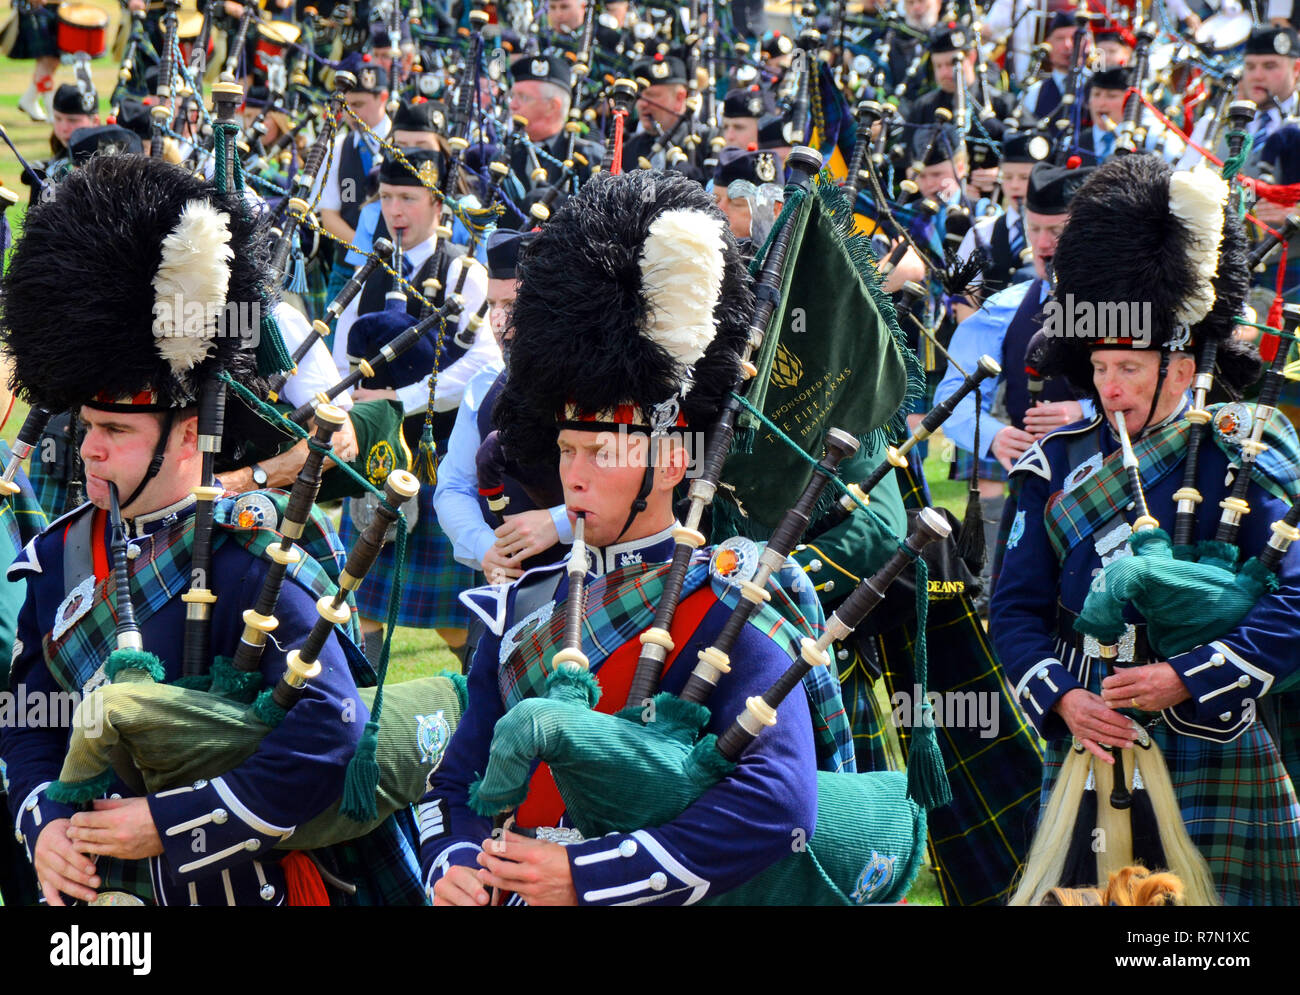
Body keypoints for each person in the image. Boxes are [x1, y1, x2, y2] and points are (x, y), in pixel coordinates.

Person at [420, 169, 857, 906]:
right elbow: (452, 782)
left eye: (602, 453)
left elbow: (780, 802)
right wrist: (454, 861)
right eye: (567, 450)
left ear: (672, 461)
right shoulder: (522, 603)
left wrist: (587, 875)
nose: (575, 477)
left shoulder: (727, 602)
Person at [0, 153, 423, 905]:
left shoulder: (251, 557)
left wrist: (172, 822)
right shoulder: (56, 556)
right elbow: (31, 716)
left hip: (238, 881)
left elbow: (331, 726)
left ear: (188, 434)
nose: (91, 447)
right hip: (97, 891)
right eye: (86, 425)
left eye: (115, 430)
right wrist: (45, 824)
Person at [991, 154, 1300, 905]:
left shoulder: (1245, 447)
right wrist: (1064, 698)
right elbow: (1015, 611)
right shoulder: (1051, 466)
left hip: (1212, 733)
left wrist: (1184, 677)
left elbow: (1294, 596)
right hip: (1090, 730)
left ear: (1182, 363)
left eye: (1128, 365)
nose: (1109, 386)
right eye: (1098, 365)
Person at [334, 148, 496, 666]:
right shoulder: (370, 269)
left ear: (437, 203)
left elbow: (481, 366)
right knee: (362, 597)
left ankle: (472, 693)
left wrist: (399, 399)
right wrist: (351, 400)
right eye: (385, 198)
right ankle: (359, 702)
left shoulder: (464, 273)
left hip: (438, 448)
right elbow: (342, 351)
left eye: (408, 198)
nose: (395, 210)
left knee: (451, 618)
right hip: (376, 449)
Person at [433, 228, 570, 581]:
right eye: (493, 305)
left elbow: (653, 478)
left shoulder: (600, 387)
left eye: (512, 305)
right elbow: (453, 486)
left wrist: (559, 523)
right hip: (508, 585)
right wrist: (486, 549)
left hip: (597, 581)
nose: (498, 322)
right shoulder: (483, 385)